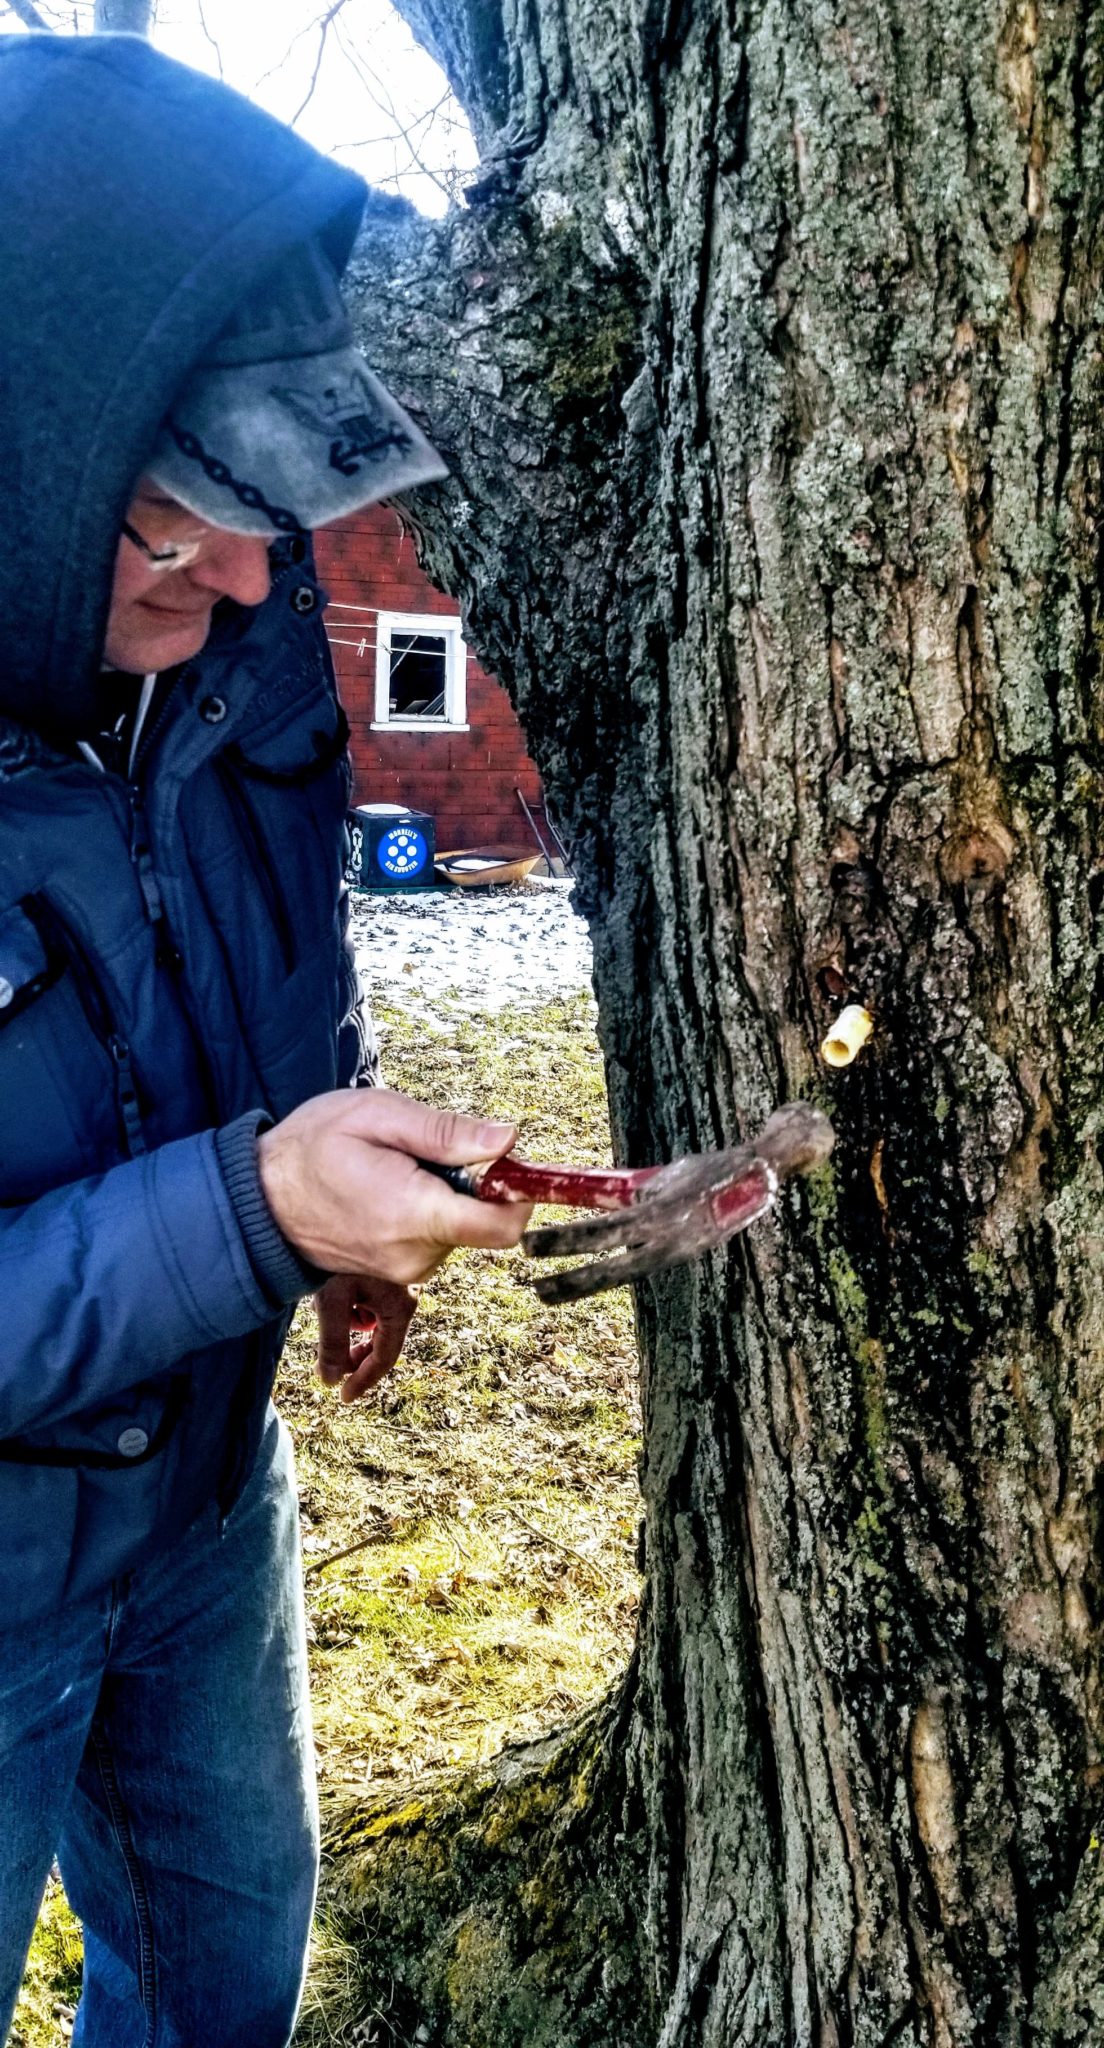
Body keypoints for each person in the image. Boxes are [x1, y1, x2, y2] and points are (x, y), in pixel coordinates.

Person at [0, 31, 533, 2047]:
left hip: (213, 1503)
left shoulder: (218, 644)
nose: (241, 585)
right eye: (168, 522)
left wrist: (334, 1194)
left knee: (227, 1977)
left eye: (260, 522)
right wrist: (250, 1208)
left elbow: (272, 943)